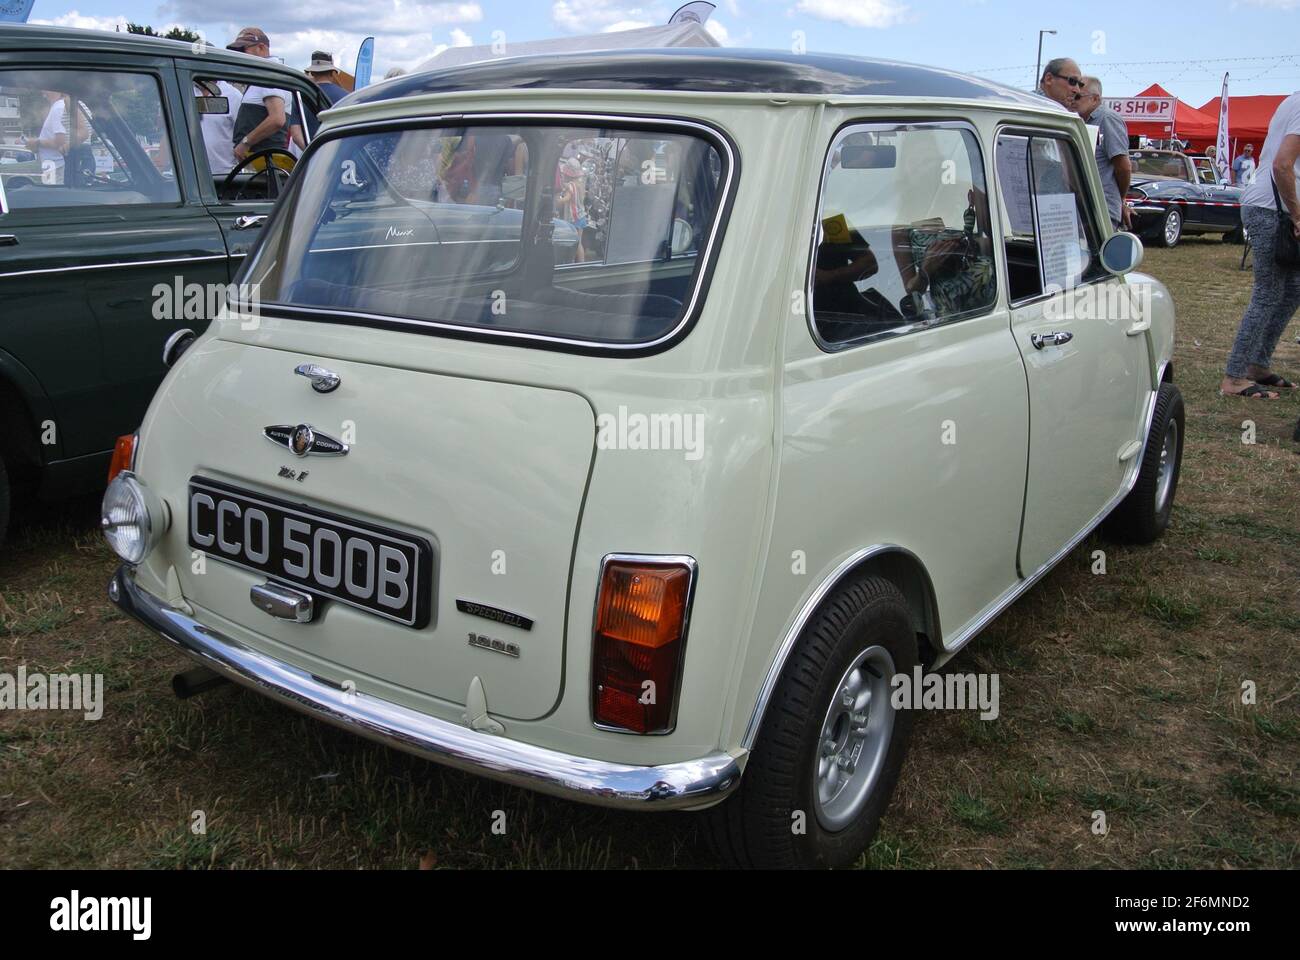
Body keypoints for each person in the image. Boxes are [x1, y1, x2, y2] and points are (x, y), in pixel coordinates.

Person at [1219, 91, 1300, 400]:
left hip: (1270, 206)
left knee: (1292, 288)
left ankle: (1258, 365)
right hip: (1271, 208)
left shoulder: (1291, 100)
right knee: (1268, 292)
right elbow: (1282, 165)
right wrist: (1297, 215)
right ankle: (1234, 376)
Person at [1074, 77, 1132, 230]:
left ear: (1095, 98)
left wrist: (1121, 199)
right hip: (1085, 207)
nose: (1074, 100)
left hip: (1101, 208)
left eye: (1079, 96)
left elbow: (1123, 167)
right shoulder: (1081, 121)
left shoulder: (1107, 119)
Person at [226, 27, 288, 161]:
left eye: (243, 49)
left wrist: (245, 142)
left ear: (261, 47)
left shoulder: (269, 73)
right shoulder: (262, 74)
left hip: (266, 159)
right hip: (260, 158)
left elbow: (277, 118)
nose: (239, 55)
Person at [195, 79, 243, 176]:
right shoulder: (184, 90)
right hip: (186, 174)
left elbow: (242, 135)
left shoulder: (233, 95)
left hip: (221, 175)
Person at [21, 89, 67, 184]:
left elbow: (60, 141)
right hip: (52, 165)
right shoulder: (58, 107)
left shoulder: (58, 108)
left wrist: (36, 142)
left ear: (56, 90)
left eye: (46, 90)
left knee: (52, 195)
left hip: (54, 165)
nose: (43, 93)